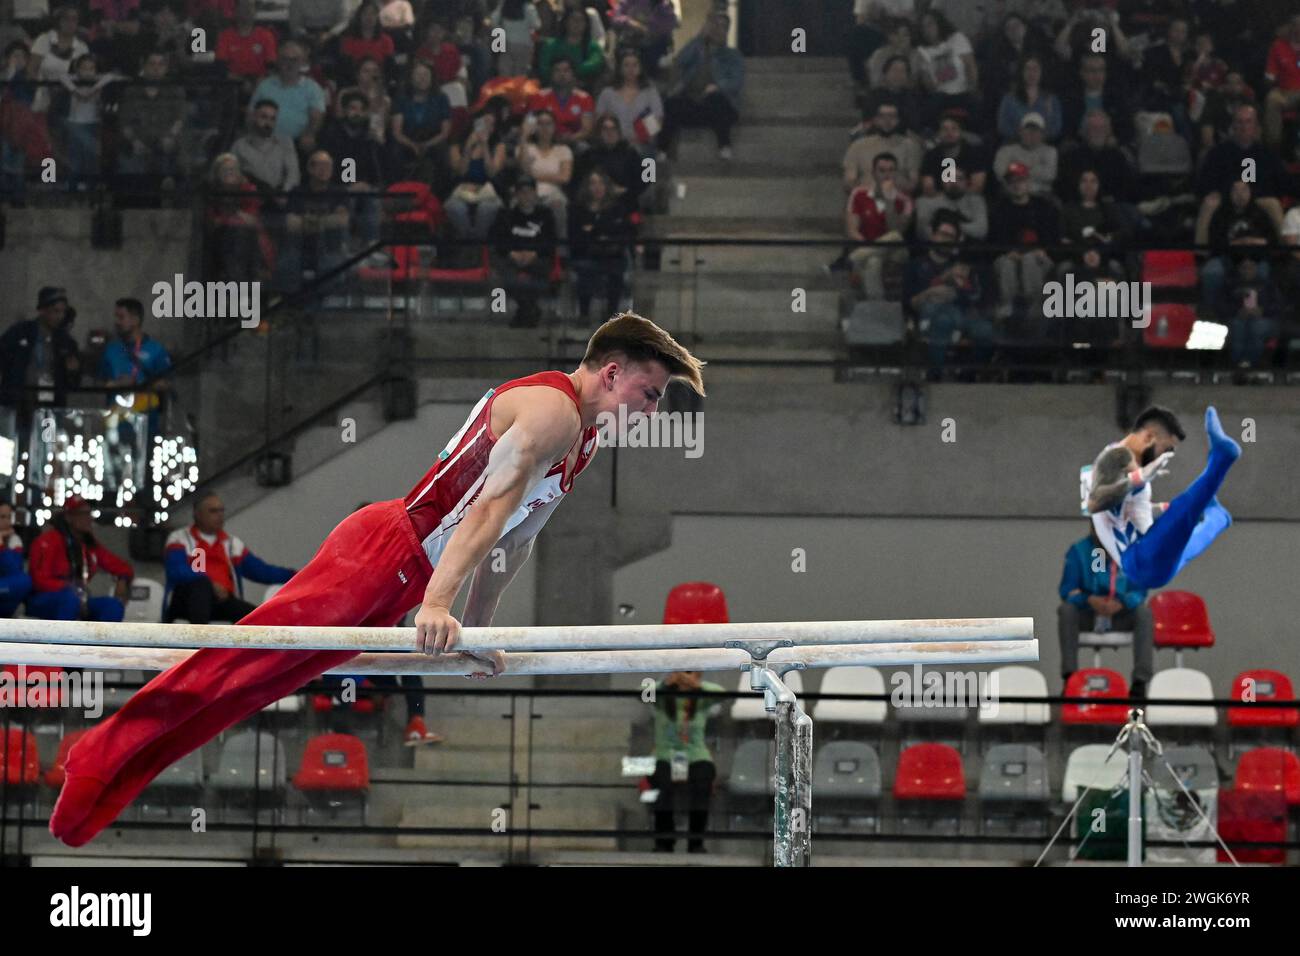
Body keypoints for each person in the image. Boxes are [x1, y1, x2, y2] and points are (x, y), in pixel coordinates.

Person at [50, 312, 707, 847]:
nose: (650, 411)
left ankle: (110, 785)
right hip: (387, 548)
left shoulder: (582, 441)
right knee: (237, 664)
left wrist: (475, 630)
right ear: (613, 372)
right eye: (649, 394)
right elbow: (486, 509)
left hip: (407, 574)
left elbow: (515, 539)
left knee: (257, 686)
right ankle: (94, 755)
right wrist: (437, 601)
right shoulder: (551, 411)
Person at [1085, 406, 1239, 592]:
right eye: (1166, 449)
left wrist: (1162, 508)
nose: (1166, 456)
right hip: (1138, 560)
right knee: (1182, 512)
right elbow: (1093, 503)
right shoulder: (1114, 457)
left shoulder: (1137, 467)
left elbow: (1129, 514)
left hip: (1150, 561)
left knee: (1190, 539)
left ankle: (1218, 517)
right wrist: (1139, 478)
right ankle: (1221, 459)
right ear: (1149, 437)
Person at [164, 492, 295, 624]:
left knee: (255, 618)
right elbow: (176, 571)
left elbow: (262, 571)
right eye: (213, 511)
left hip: (221, 602)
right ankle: (198, 642)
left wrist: (297, 575)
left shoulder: (231, 544)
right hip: (186, 602)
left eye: (222, 511)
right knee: (201, 586)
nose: (220, 515)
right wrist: (210, 584)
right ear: (197, 514)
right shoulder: (179, 539)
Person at [1058, 527, 1154, 700]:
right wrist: (1088, 599)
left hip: (1120, 615)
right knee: (1066, 611)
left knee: (1144, 613)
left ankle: (1140, 683)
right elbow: (1067, 591)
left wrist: (1122, 602)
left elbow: (1140, 591)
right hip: (1088, 614)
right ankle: (1070, 679)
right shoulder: (1079, 551)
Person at [903, 208, 989, 375]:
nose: (945, 240)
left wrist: (958, 291)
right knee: (943, 321)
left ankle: (968, 377)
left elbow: (974, 296)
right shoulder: (915, 265)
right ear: (933, 235)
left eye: (950, 237)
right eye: (942, 234)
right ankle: (935, 376)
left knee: (985, 330)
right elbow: (907, 302)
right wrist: (929, 293)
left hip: (960, 315)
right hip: (927, 317)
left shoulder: (960, 266)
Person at [27, 495, 133, 623]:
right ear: (69, 517)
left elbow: (121, 566)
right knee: (70, 600)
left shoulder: (88, 544)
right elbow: (39, 580)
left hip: (78, 598)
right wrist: (69, 588)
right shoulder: (47, 541)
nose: (89, 518)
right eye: (83, 514)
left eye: (89, 513)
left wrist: (123, 579)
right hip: (45, 599)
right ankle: (63, 642)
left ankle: (99, 642)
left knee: (113, 606)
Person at [649, 670, 723, 853]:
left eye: (690, 673)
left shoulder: (701, 697)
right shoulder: (661, 696)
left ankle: (696, 842)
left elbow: (722, 693)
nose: (685, 677)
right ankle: (664, 841)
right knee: (661, 786)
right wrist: (666, 683)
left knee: (703, 781)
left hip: (695, 755)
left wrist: (696, 686)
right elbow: (642, 691)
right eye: (682, 673)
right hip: (666, 754)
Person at [659, 10, 743, 161]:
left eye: (723, 26)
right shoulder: (696, 52)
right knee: (671, 105)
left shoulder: (733, 56)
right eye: (714, 25)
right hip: (695, 103)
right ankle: (662, 151)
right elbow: (680, 61)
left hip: (719, 106)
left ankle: (724, 147)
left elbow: (736, 82)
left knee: (717, 100)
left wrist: (718, 87)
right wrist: (699, 37)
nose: (718, 30)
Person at [0, 287, 81, 424]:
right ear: (42, 310)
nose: (60, 317)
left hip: (50, 406)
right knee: (17, 440)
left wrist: (73, 371)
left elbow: (73, 381)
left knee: (47, 440)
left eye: (63, 312)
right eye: (55, 311)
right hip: (18, 403)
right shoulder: (20, 332)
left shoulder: (66, 342)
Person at [489, 173, 556, 327]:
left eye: (529, 191)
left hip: (538, 259)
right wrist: (512, 253)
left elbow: (551, 241)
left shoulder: (546, 215)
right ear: (516, 195)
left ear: (535, 193)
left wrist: (534, 253)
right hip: (511, 258)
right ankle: (529, 310)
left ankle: (524, 312)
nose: (525, 195)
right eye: (522, 192)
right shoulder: (505, 215)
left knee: (542, 272)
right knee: (505, 274)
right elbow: (497, 239)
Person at [115, 50, 187, 189]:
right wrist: (134, 141)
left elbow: (179, 119)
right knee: (129, 165)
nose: (156, 68)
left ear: (166, 68)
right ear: (144, 66)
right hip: (137, 142)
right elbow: (125, 122)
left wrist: (170, 136)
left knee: (175, 155)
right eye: (152, 64)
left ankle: (168, 194)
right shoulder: (132, 91)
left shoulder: (175, 90)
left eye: (161, 64)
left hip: (165, 142)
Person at [568, 168, 633, 321]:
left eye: (601, 183)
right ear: (587, 187)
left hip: (612, 254)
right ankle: (583, 314)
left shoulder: (617, 209)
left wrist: (594, 228)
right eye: (593, 183)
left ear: (607, 186)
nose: (597, 187)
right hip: (586, 254)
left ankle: (612, 314)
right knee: (585, 271)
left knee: (615, 272)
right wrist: (602, 230)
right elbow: (576, 235)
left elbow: (622, 232)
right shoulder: (577, 209)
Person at [247, 40, 327, 155]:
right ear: (278, 61)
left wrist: (309, 134)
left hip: (298, 144)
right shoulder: (264, 85)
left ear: (302, 62)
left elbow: (317, 117)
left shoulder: (313, 88)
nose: (289, 63)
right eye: (285, 59)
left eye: (294, 59)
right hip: (264, 142)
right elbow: (251, 115)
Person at [0, 500, 31, 618]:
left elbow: (13, 570)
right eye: (2, 517)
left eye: (9, 517)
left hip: (5, 590)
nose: (7, 521)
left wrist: (1, 544)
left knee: (24, 581)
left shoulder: (14, 539)